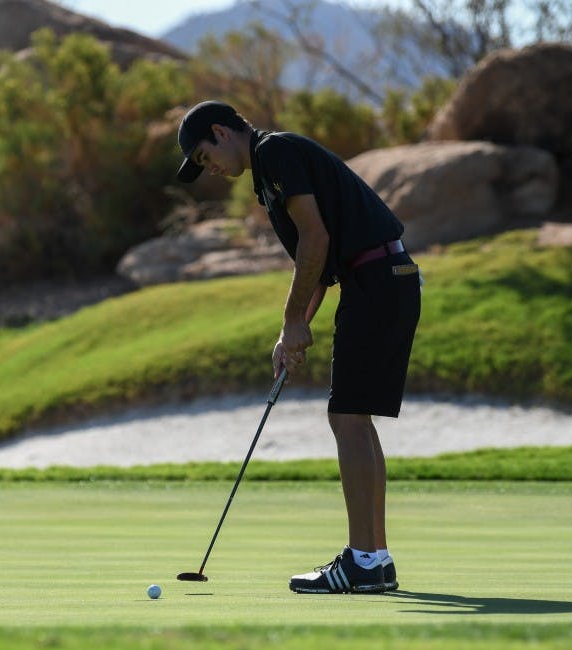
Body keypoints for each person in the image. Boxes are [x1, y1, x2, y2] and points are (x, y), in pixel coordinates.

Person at [175, 100, 421, 594]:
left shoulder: (274, 153)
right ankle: (376, 559)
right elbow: (320, 265)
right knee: (355, 418)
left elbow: (315, 238)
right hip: (383, 278)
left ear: (221, 133)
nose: (213, 171)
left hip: (375, 280)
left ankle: (364, 561)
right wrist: (293, 331)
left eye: (205, 158)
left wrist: (292, 320)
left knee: (347, 419)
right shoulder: (269, 170)